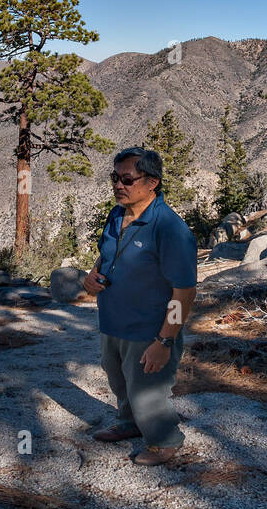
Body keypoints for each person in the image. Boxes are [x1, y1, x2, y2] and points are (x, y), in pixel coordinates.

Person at [68, 146, 202, 467]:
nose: (119, 185)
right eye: (115, 177)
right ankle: (130, 424)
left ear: (152, 182)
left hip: (150, 328)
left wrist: (165, 341)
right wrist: (92, 275)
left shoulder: (170, 229)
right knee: (119, 379)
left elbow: (184, 292)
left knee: (147, 390)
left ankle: (164, 441)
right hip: (113, 321)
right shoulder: (117, 214)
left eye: (127, 179)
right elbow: (106, 252)